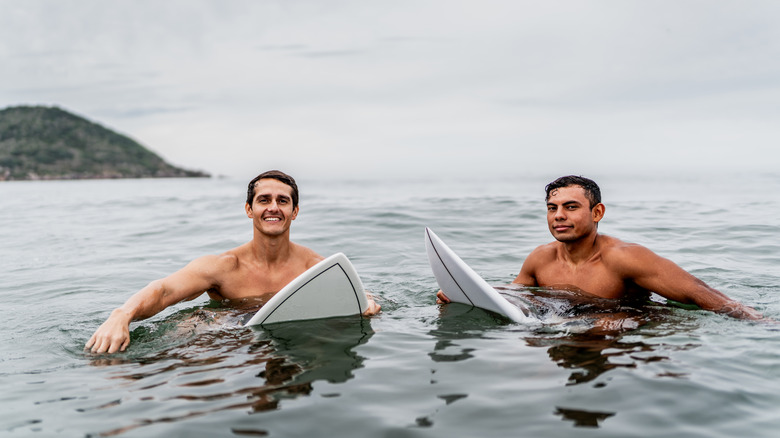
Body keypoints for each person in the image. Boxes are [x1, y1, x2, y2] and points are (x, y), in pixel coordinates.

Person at [86, 170, 381, 354]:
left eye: (283, 201)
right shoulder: (223, 267)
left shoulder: (314, 269)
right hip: (227, 338)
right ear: (249, 210)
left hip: (288, 345)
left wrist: (365, 303)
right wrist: (121, 315)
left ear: (295, 211)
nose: (273, 207)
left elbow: (358, 296)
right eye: (264, 200)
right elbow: (164, 291)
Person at [437, 175, 763, 320]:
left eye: (571, 207)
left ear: (597, 213)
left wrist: (762, 327)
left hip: (629, 326)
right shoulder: (540, 257)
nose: (559, 216)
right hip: (566, 324)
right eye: (552, 208)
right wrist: (471, 292)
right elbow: (517, 296)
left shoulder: (625, 258)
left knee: (607, 324)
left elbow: (701, 294)